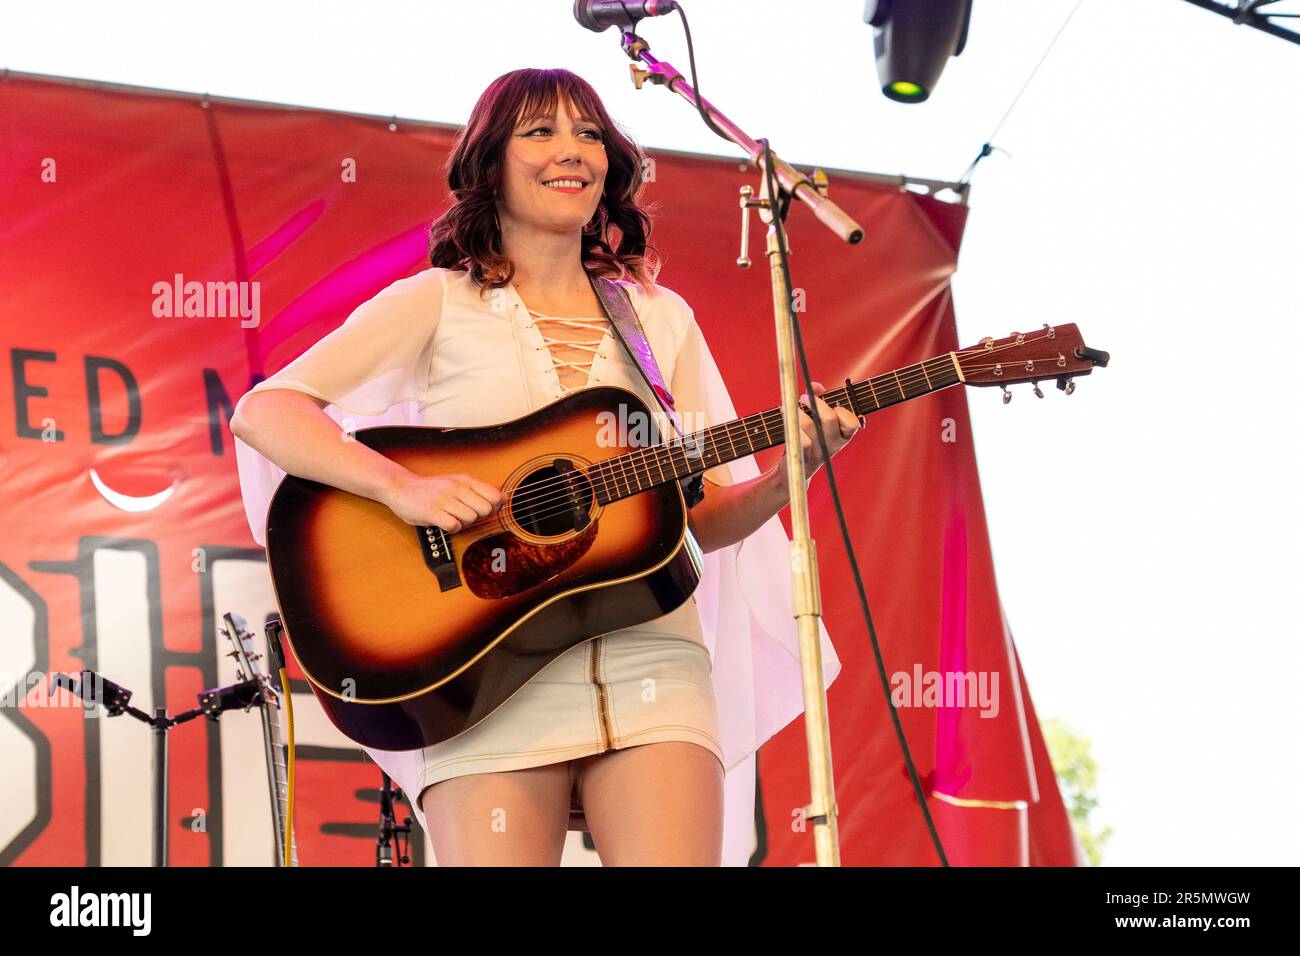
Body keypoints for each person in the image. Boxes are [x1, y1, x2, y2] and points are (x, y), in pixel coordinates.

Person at [231, 67, 858, 866]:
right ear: (490, 163)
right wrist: (404, 488)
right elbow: (266, 410)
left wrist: (783, 478)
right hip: (486, 670)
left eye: (589, 133)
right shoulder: (436, 301)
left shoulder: (659, 321)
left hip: (653, 663)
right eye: (541, 131)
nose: (573, 151)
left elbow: (695, 520)